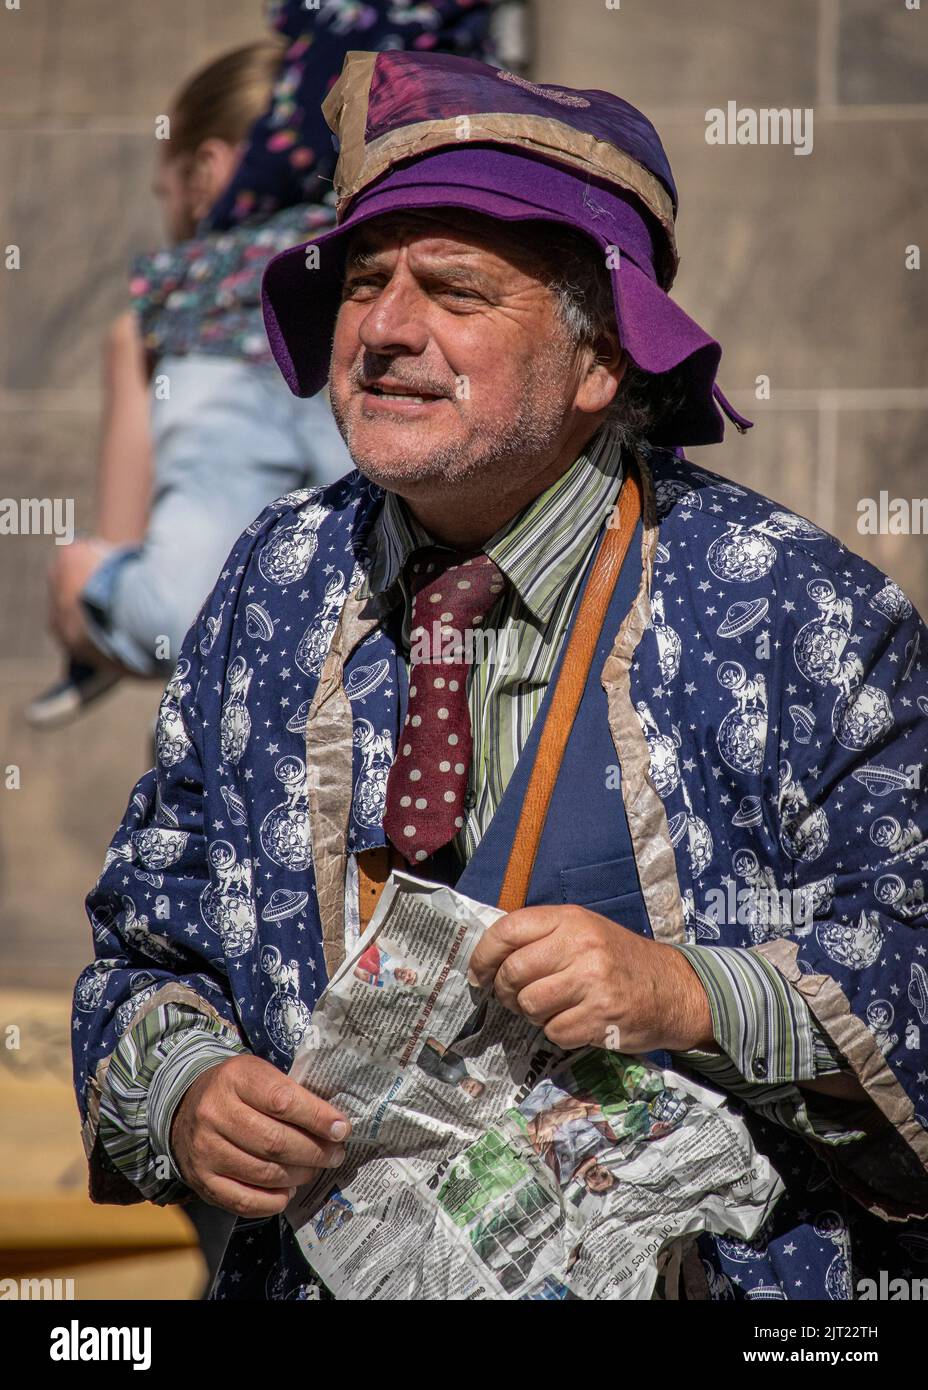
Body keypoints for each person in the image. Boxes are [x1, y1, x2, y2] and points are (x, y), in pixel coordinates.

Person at [73, 50, 928, 1302]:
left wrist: (694, 991)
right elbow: (146, 941)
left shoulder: (802, 614)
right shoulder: (272, 584)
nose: (383, 329)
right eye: (365, 283)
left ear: (600, 362)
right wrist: (188, 1089)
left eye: (455, 291)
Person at [37, 0, 511, 721]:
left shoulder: (188, 320)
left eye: (166, 194)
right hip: (417, 712)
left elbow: (168, 619)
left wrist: (82, 593)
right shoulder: (407, 276)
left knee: (95, 575)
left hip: (269, 744)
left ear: (208, 171)